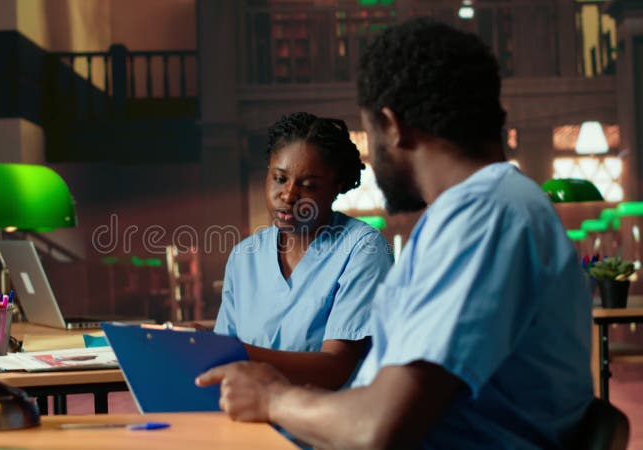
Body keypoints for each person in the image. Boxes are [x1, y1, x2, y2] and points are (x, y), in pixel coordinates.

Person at [197, 19, 594, 449]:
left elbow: (377, 426)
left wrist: (273, 397)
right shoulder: (487, 209)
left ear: (391, 125)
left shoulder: (485, 217)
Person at [213, 111, 393, 390]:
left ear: (337, 187)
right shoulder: (244, 257)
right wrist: (204, 348)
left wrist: (230, 353)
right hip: (252, 413)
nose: (288, 195)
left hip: (328, 415)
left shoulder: (362, 249)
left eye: (308, 186)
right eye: (279, 178)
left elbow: (335, 368)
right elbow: (220, 371)